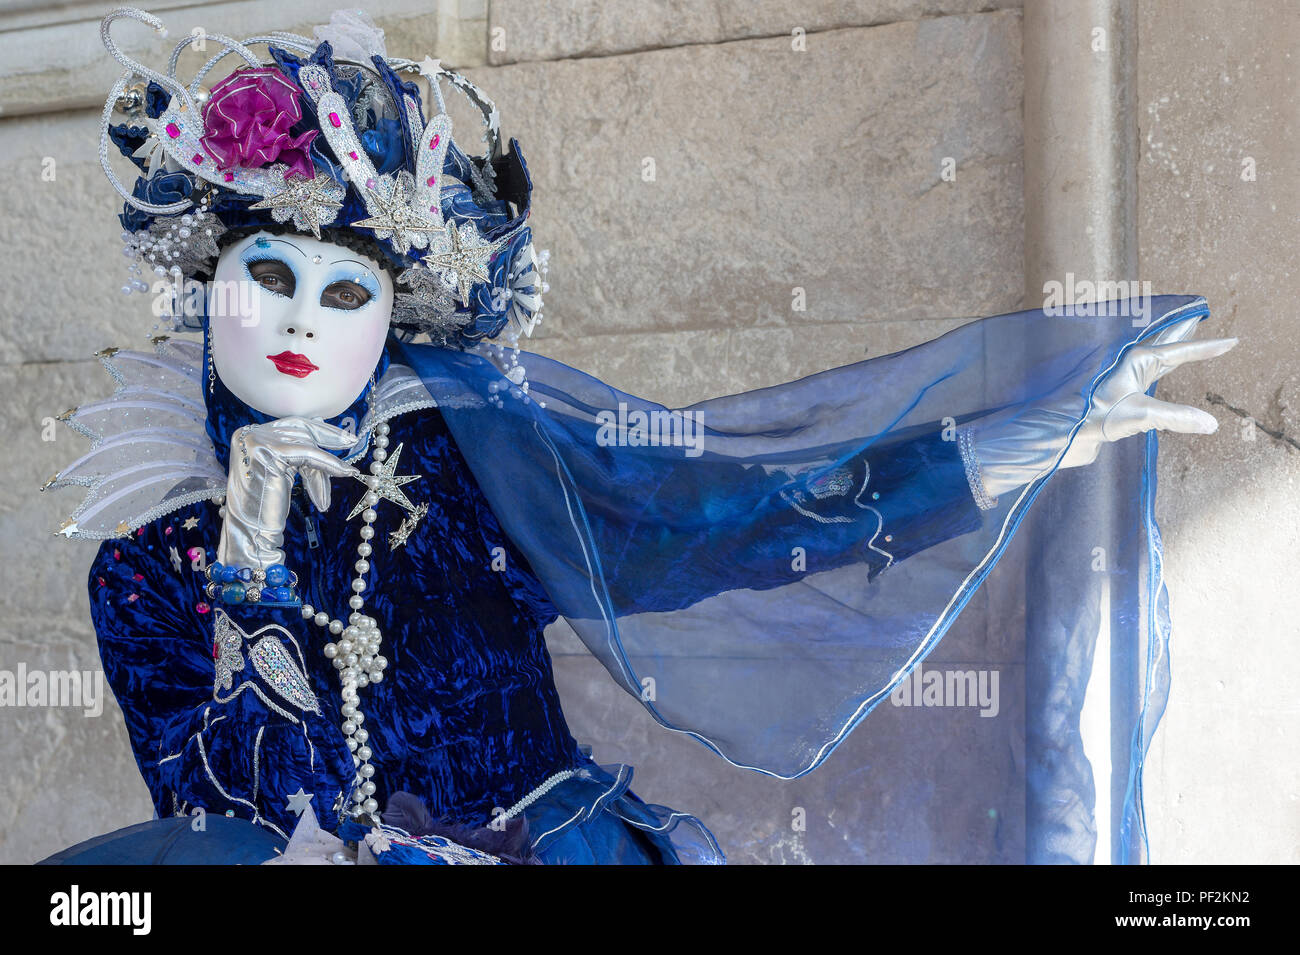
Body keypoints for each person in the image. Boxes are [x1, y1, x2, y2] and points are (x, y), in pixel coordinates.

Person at [41, 8, 1234, 865]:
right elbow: (223, 825)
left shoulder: (466, 473)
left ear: (391, 323)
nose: (303, 317)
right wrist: (248, 557)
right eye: (270, 275)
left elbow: (724, 521)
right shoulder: (149, 571)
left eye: (345, 292)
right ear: (207, 295)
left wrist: (1004, 447)